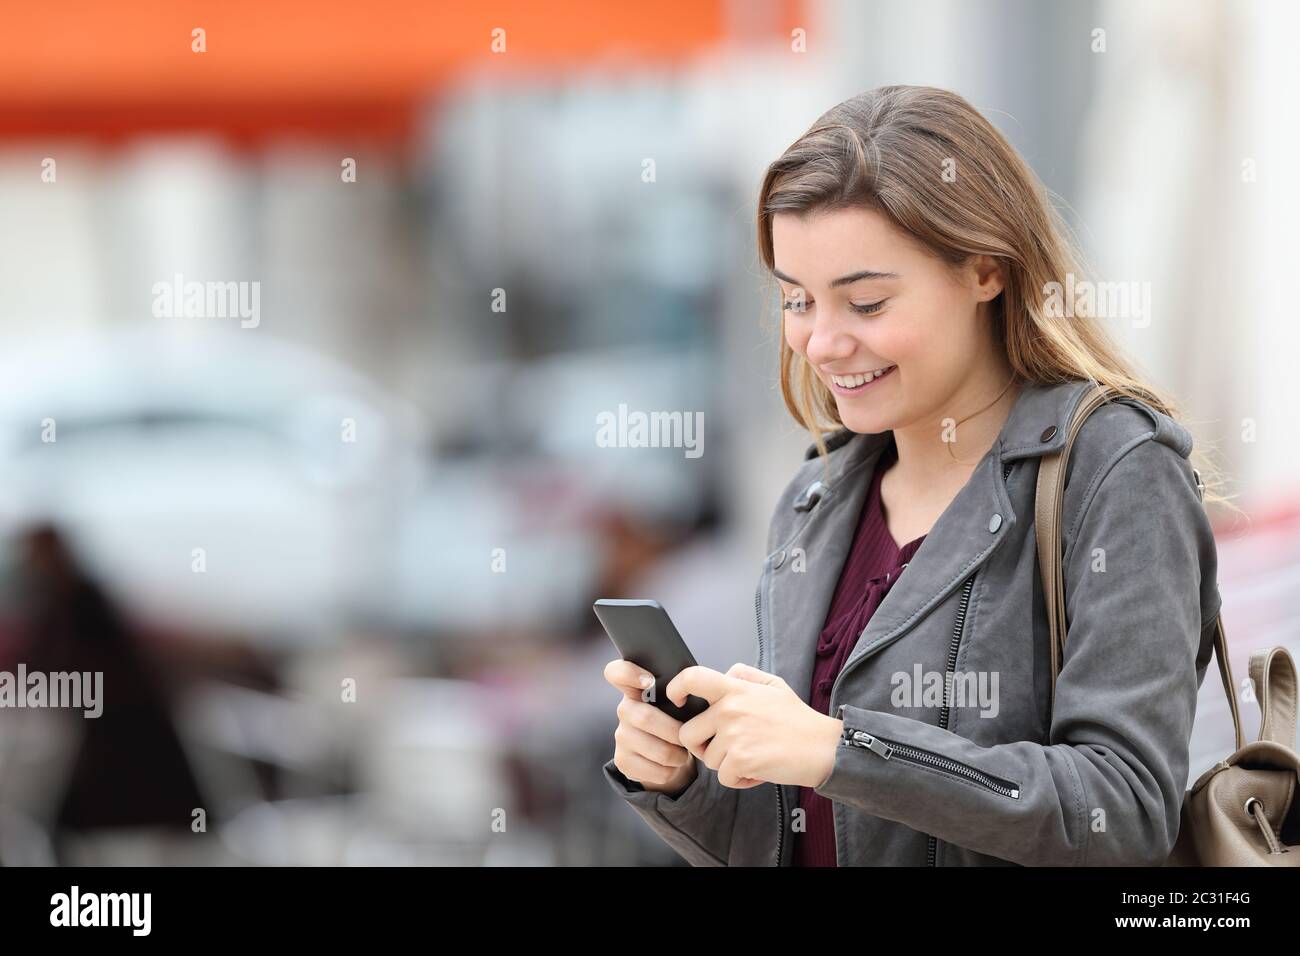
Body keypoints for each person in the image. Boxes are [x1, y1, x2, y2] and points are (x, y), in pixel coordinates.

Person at [600, 85, 1231, 866]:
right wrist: (685, 781)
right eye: (797, 300)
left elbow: (1121, 810)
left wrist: (841, 748)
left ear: (986, 271)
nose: (821, 343)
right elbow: (796, 836)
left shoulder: (1114, 472)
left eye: (864, 302)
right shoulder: (817, 497)